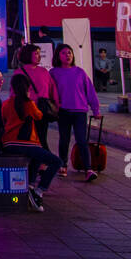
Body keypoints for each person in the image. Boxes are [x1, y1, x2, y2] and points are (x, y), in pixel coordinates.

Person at [1, 72, 63, 211]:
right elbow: (39, 116)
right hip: (27, 143)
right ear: (27, 88)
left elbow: (4, 118)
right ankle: (39, 191)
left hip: (9, 143)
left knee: (36, 157)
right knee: (56, 162)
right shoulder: (29, 104)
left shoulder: (6, 104)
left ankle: (29, 186)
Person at [49, 44, 100, 181]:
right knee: (64, 139)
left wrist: (96, 109)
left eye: (70, 53)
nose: (68, 55)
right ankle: (63, 165)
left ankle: (88, 169)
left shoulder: (80, 72)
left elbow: (90, 92)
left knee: (82, 140)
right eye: (64, 53)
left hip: (80, 111)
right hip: (63, 111)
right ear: (58, 56)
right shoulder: (54, 73)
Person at [15, 43, 58, 152]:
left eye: (39, 54)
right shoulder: (20, 72)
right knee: (31, 137)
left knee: (41, 136)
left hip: (42, 110)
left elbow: (53, 90)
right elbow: (14, 92)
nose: (39, 56)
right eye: (36, 53)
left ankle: (42, 162)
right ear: (28, 55)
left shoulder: (44, 71)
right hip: (27, 111)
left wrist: (57, 105)